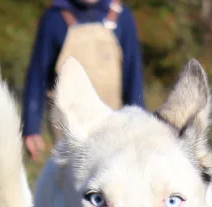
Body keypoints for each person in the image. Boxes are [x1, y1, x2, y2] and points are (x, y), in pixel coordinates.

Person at [21, 0, 146, 161]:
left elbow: (134, 79)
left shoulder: (122, 18)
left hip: (113, 125)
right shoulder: (55, 19)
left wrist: (140, 123)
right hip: (69, 130)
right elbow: (37, 78)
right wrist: (31, 129)